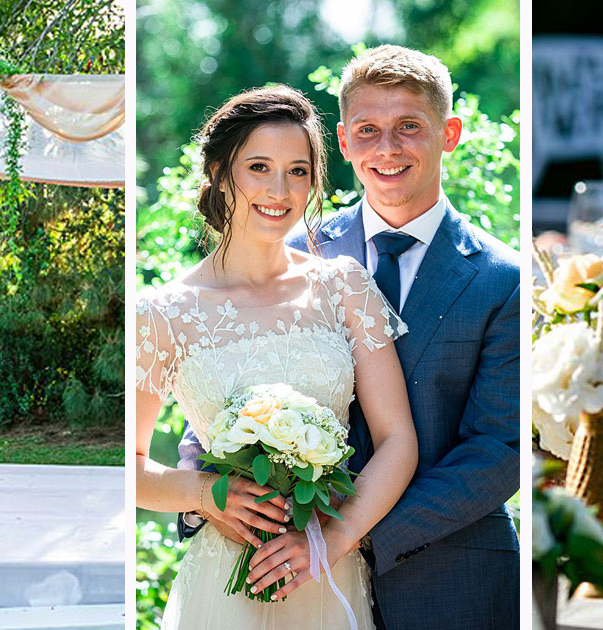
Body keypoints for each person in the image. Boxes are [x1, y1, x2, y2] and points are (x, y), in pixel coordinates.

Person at [179, 46, 521, 630]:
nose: (387, 149)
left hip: (451, 581)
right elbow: (219, 384)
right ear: (342, 140)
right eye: (368, 130)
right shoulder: (290, 252)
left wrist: (342, 536)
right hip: (280, 579)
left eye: (409, 127)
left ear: (450, 133)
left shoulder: (502, 279)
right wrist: (211, 496)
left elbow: (497, 450)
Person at [136, 84, 419, 629]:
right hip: (225, 584)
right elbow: (129, 466)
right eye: (259, 167)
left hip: (326, 574)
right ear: (221, 174)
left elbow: (396, 440)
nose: (280, 189)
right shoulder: (165, 312)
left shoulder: (344, 287)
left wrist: (328, 542)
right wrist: (207, 495)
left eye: (298, 170)